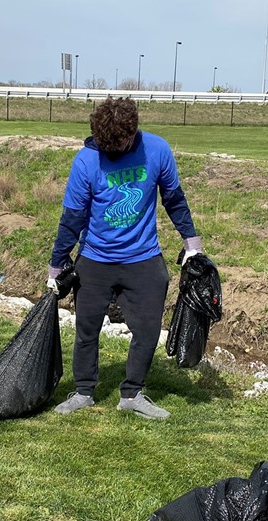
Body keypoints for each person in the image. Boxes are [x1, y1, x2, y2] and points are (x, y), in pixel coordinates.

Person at [48, 97, 204, 420]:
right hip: (95, 258)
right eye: (107, 147)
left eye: (118, 144)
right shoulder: (86, 161)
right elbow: (72, 219)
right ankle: (83, 391)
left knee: (147, 330)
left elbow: (174, 199)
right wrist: (56, 264)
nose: (112, 152)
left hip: (143, 258)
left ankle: (132, 394)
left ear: (132, 132)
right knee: (86, 329)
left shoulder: (157, 151)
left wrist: (192, 243)